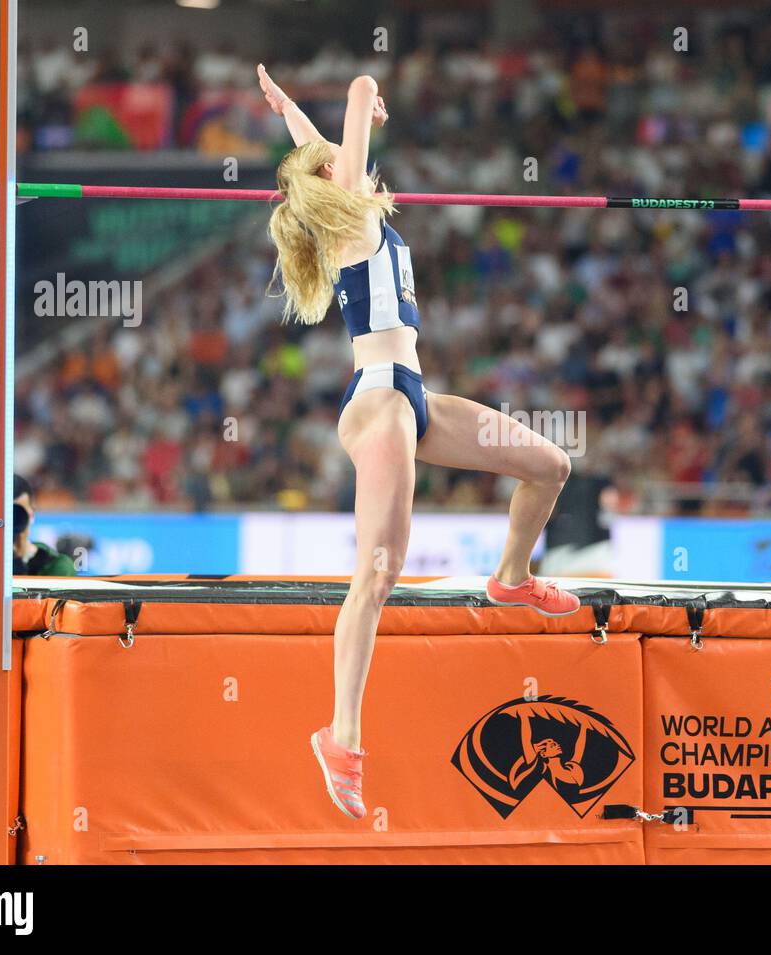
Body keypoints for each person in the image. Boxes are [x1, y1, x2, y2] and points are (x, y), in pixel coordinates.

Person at [257, 65, 577, 820]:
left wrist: (288, 111)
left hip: (414, 398)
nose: (354, 157)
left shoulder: (347, 211)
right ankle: (341, 736)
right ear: (336, 179)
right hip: (380, 406)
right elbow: (362, 93)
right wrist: (365, 92)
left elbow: (326, 149)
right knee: (378, 570)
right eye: (343, 158)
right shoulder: (353, 218)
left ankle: (510, 574)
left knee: (548, 464)